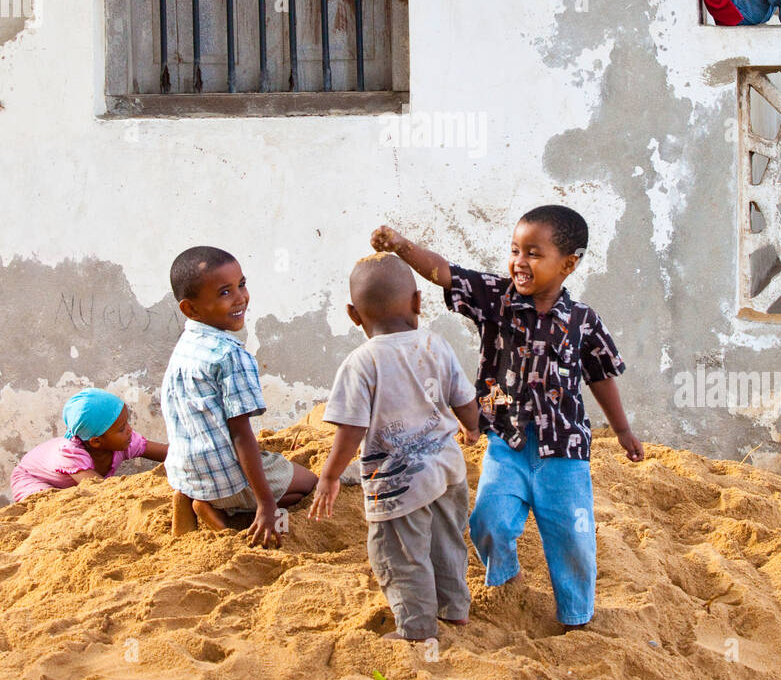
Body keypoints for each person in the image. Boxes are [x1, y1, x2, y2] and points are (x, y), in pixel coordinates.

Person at [370, 205, 644, 630]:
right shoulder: (496, 299)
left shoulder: (583, 321)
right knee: (487, 523)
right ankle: (507, 576)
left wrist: (623, 430)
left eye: (534, 253)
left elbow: (602, 376)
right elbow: (446, 272)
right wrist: (402, 246)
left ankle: (575, 617)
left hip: (564, 452)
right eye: (515, 250)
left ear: (568, 264)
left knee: (572, 538)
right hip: (507, 444)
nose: (519, 261)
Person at [309, 252, 480, 643]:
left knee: (401, 555)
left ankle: (418, 630)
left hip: (398, 483)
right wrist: (472, 429)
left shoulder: (362, 362)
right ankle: (454, 610)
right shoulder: (436, 344)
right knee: (448, 539)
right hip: (449, 470)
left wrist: (330, 476)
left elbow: (351, 430)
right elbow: (463, 399)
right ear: (418, 302)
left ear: (354, 315)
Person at [161, 245, 316, 545]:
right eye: (224, 293)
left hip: (187, 473)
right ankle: (224, 514)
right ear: (190, 308)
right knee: (308, 484)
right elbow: (241, 434)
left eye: (241, 285)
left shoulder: (187, 343)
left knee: (281, 473)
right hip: (224, 478)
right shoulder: (230, 355)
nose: (240, 299)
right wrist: (266, 505)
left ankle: (198, 498)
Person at [10, 388, 166, 502]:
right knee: (51, 503)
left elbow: (169, 452)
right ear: (96, 441)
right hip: (31, 479)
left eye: (127, 423)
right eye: (122, 428)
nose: (129, 430)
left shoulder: (126, 441)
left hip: (65, 485)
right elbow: (100, 489)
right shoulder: (71, 454)